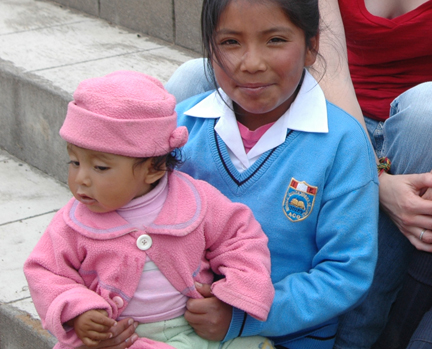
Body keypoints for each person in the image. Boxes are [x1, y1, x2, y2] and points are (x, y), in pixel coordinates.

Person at [176, 0, 379, 349]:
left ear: (311, 47)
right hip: (177, 326)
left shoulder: (341, 143)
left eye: (275, 40)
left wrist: (241, 316)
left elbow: (345, 271)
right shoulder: (181, 127)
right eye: (230, 42)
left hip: (286, 338)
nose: (251, 64)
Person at [24, 71, 274, 349]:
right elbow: (45, 271)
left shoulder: (195, 201)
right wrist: (79, 311)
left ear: (154, 169)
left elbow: (241, 237)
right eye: (74, 162)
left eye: (100, 167)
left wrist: (235, 292)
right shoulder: (73, 224)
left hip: (194, 331)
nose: (81, 178)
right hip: (121, 338)